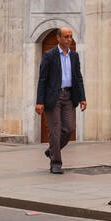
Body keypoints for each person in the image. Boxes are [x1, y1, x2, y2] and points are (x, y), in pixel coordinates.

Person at [34, 27, 86, 174]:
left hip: (69, 96)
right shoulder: (49, 55)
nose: (69, 39)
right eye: (66, 37)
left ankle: (52, 150)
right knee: (55, 131)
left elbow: (78, 78)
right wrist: (40, 102)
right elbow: (42, 79)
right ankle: (56, 163)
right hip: (53, 97)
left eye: (70, 37)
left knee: (69, 128)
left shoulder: (74, 56)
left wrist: (83, 98)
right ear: (58, 38)